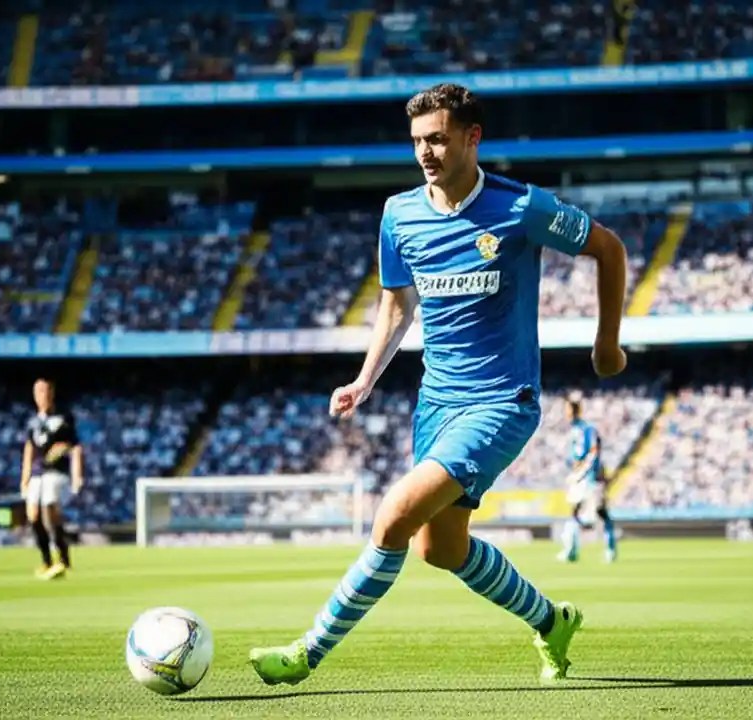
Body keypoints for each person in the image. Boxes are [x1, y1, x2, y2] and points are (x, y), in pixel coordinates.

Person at [248, 82, 628, 686]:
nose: (426, 151)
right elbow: (398, 303)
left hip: (502, 402)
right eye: (418, 141)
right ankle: (551, 621)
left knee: (393, 516)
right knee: (441, 549)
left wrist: (605, 344)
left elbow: (609, 249)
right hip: (436, 404)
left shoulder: (521, 207)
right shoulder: (399, 215)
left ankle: (307, 652)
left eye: (438, 139)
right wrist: (365, 378)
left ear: (472, 138)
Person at [20, 378, 83, 580]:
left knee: (49, 507)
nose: (42, 395)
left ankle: (62, 560)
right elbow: (29, 449)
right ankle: (47, 561)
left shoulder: (64, 417)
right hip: (37, 472)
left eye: (45, 391)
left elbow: (75, 446)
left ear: (52, 392)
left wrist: (77, 474)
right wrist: (25, 477)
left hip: (56, 471)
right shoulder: (32, 422)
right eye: (38, 391)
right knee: (33, 516)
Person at [557, 391, 618, 564]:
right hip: (580, 476)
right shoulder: (573, 430)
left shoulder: (587, 429)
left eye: (567, 409)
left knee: (600, 511)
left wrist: (585, 472)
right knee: (575, 511)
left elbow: (593, 453)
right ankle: (571, 550)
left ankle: (610, 548)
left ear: (573, 410)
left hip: (590, 476)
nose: (565, 413)